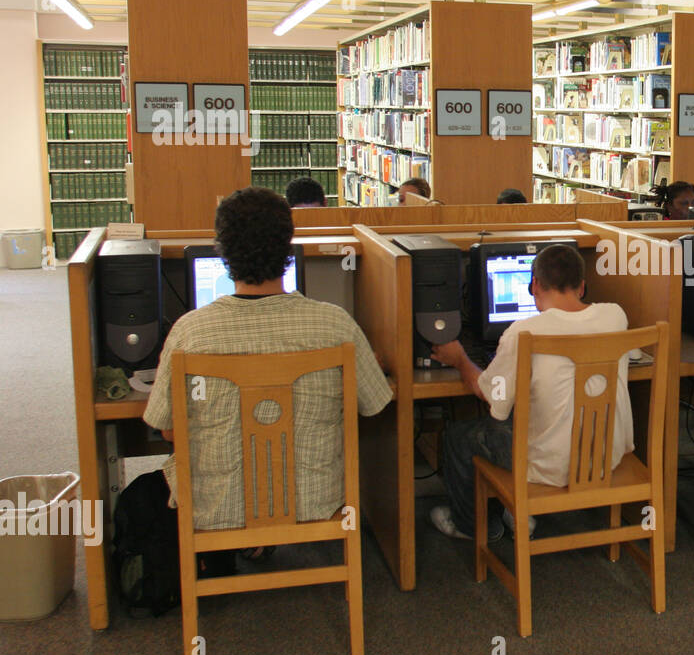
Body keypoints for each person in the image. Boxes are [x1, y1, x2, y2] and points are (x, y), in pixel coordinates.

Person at [144, 187, 393, 545]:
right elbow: (374, 403)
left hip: (217, 508)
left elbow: (167, 430)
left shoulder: (190, 332)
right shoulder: (335, 325)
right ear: (288, 246)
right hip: (316, 502)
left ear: (222, 250)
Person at [428, 245, 633, 541]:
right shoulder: (616, 316)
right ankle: (518, 511)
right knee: (528, 414)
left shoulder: (523, 333)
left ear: (534, 284)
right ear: (583, 287)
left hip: (548, 468)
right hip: (604, 457)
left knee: (459, 436)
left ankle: (474, 526)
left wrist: (459, 359)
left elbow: (491, 395)